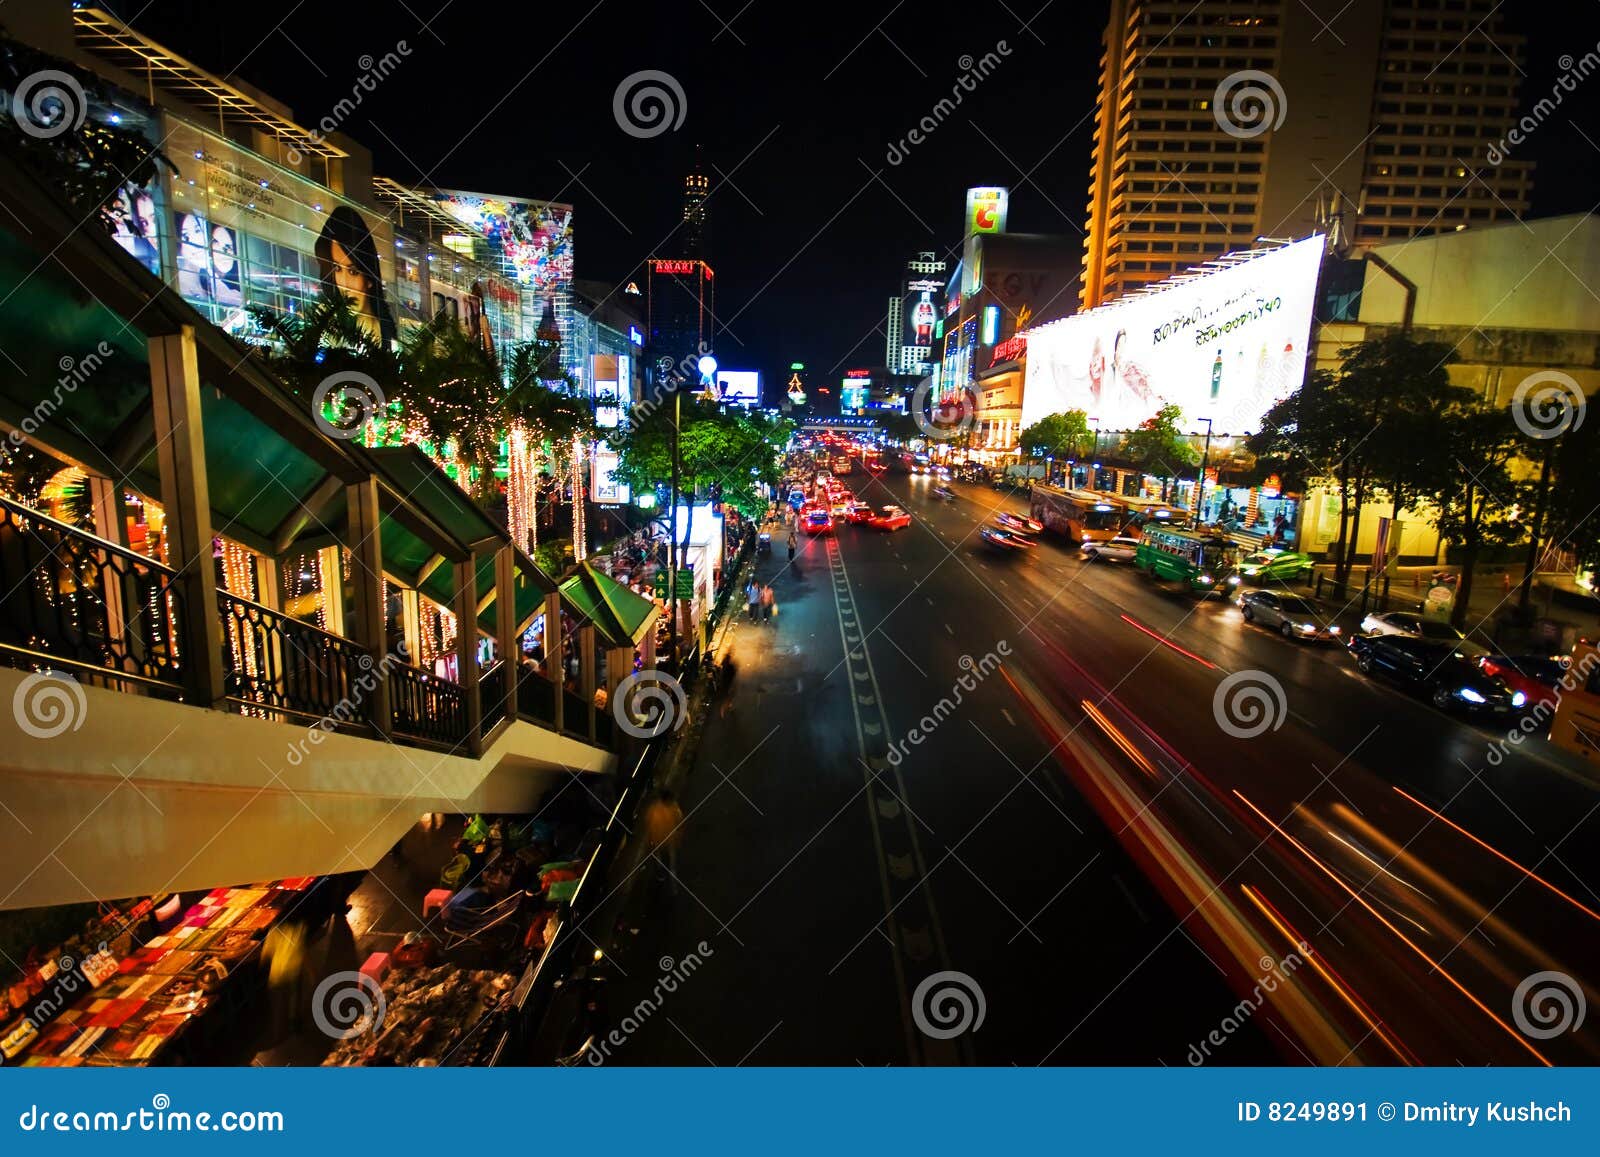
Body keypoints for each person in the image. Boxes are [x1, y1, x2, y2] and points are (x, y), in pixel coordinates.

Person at [642, 790, 684, 884]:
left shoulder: (654, 809)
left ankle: (660, 872)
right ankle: (673, 878)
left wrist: (650, 839)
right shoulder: (674, 807)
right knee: (671, 858)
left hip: (657, 840)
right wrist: (679, 836)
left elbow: (648, 823)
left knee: (658, 857)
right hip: (670, 839)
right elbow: (679, 821)